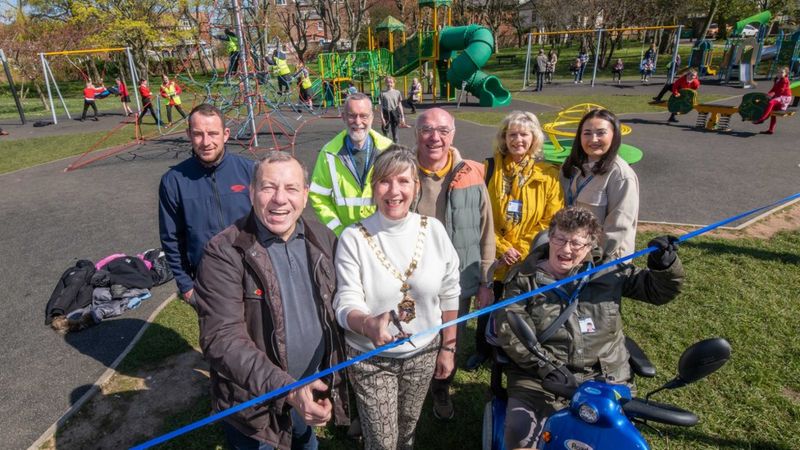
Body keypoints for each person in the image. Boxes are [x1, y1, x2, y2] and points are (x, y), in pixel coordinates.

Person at [493, 206, 684, 449]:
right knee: (520, 433)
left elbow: (657, 291)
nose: (565, 249)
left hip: (605, 377)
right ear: (550, 237)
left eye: (576, 243)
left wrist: (665, 266)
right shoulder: (524, 279)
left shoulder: (609, 271)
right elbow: (511, 332)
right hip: (541, 379)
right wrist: (547, 367)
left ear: (590, 246)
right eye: (560, 239)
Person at [196, 152, 350, 450]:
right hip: (255, 408)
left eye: (291, 188)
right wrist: (288, 390)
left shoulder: (322, 237)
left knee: (306, 445)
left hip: (309, 390)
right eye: (268, 187)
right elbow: (221, 339)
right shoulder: (224, 252)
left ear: (305, 195)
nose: (280, 199)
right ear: (252, 192)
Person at [334, 145, 460, 450]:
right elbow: (346, 300)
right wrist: (367, 324)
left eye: (403, 181)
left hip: (423, 353)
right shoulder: (353, 237)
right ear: (373, 187)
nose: (394, 191)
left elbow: (450, 291)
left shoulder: (434, 230)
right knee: (382, 442)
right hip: (370, 358)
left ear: (416, 186)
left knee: (406, 431)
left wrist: (448, 348)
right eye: (385, 181)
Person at [412, 107, 495, 420]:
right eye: (427, 129)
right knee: (411, 335)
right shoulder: (402, 172)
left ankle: (441, 388)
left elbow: (487, 230)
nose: (435, 137)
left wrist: (486, 281)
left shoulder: (471, 173)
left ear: (453, 134)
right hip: (412, 281)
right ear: (416, 133)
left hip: (458, 281)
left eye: (443, 130)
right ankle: (411, 388)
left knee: (451, 339)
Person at [465, 111, 564, 372]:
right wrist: (501, 247)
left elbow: (550, 220)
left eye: (523, 134)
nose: (517, 140)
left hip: (529, 255)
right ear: (504, 138)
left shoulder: (549, 174)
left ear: (534, 138)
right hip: (494, 253)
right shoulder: (489, 168)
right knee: (488, 302)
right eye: (512, 134)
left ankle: (513, 351)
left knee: (521, 306)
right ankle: (482, 349)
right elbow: (480, 213)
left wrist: (519, 249)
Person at [158, 103, 254, 306]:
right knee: (216, 328)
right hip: (208, 280)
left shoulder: (250, 171)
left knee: (259, 326)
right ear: (188, 135)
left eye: (212, 133)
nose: (206, 142)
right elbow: (171, 238)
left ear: (225, 134)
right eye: (198, 134)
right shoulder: (173, 181)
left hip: (253, 273)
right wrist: (186, 286)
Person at [309, 92, 394, 235]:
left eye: (363, 116)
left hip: (382, 235)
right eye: (352, 116)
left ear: (372, 117)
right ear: (343, 117)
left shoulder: (389, 150)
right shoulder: (329, 154)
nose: (358, 122)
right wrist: (339, 231)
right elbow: (318, 196)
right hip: (346, 237)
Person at [560, 109, 639, 260]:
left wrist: (592, 258)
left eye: (601, 133)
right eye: (587, 133)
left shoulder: (620, 175)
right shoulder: (570, 166)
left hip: (603, 258)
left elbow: (617, 228)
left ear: (614, 135)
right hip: (572, 251)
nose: (593, 139)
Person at [753, 66, 793, 135]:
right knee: (771, 110)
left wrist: (772, 96)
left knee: (771, 102)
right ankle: (771, 130)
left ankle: (762, 118)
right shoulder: (777, 79)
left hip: (785, 97)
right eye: (778, 72)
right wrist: (768, 94)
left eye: (782, 72)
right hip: (779, 96)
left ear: (786, 73)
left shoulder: (785, 80)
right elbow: (773, 89)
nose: (780, 74)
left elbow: (781, 91)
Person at [379, 76, 405, 143]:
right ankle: (387, 147)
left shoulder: (397, 92)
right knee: (385, 134)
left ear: (394, 83)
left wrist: (402, 117)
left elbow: (399, 105)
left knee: (395, 135)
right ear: (385, 83)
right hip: (386, 113)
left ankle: (396, 147)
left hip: (394, 113)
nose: (389, 84)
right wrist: (382, 117)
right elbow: (381, 106)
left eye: (391, 82)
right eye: (387, 82)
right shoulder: (382, 93)